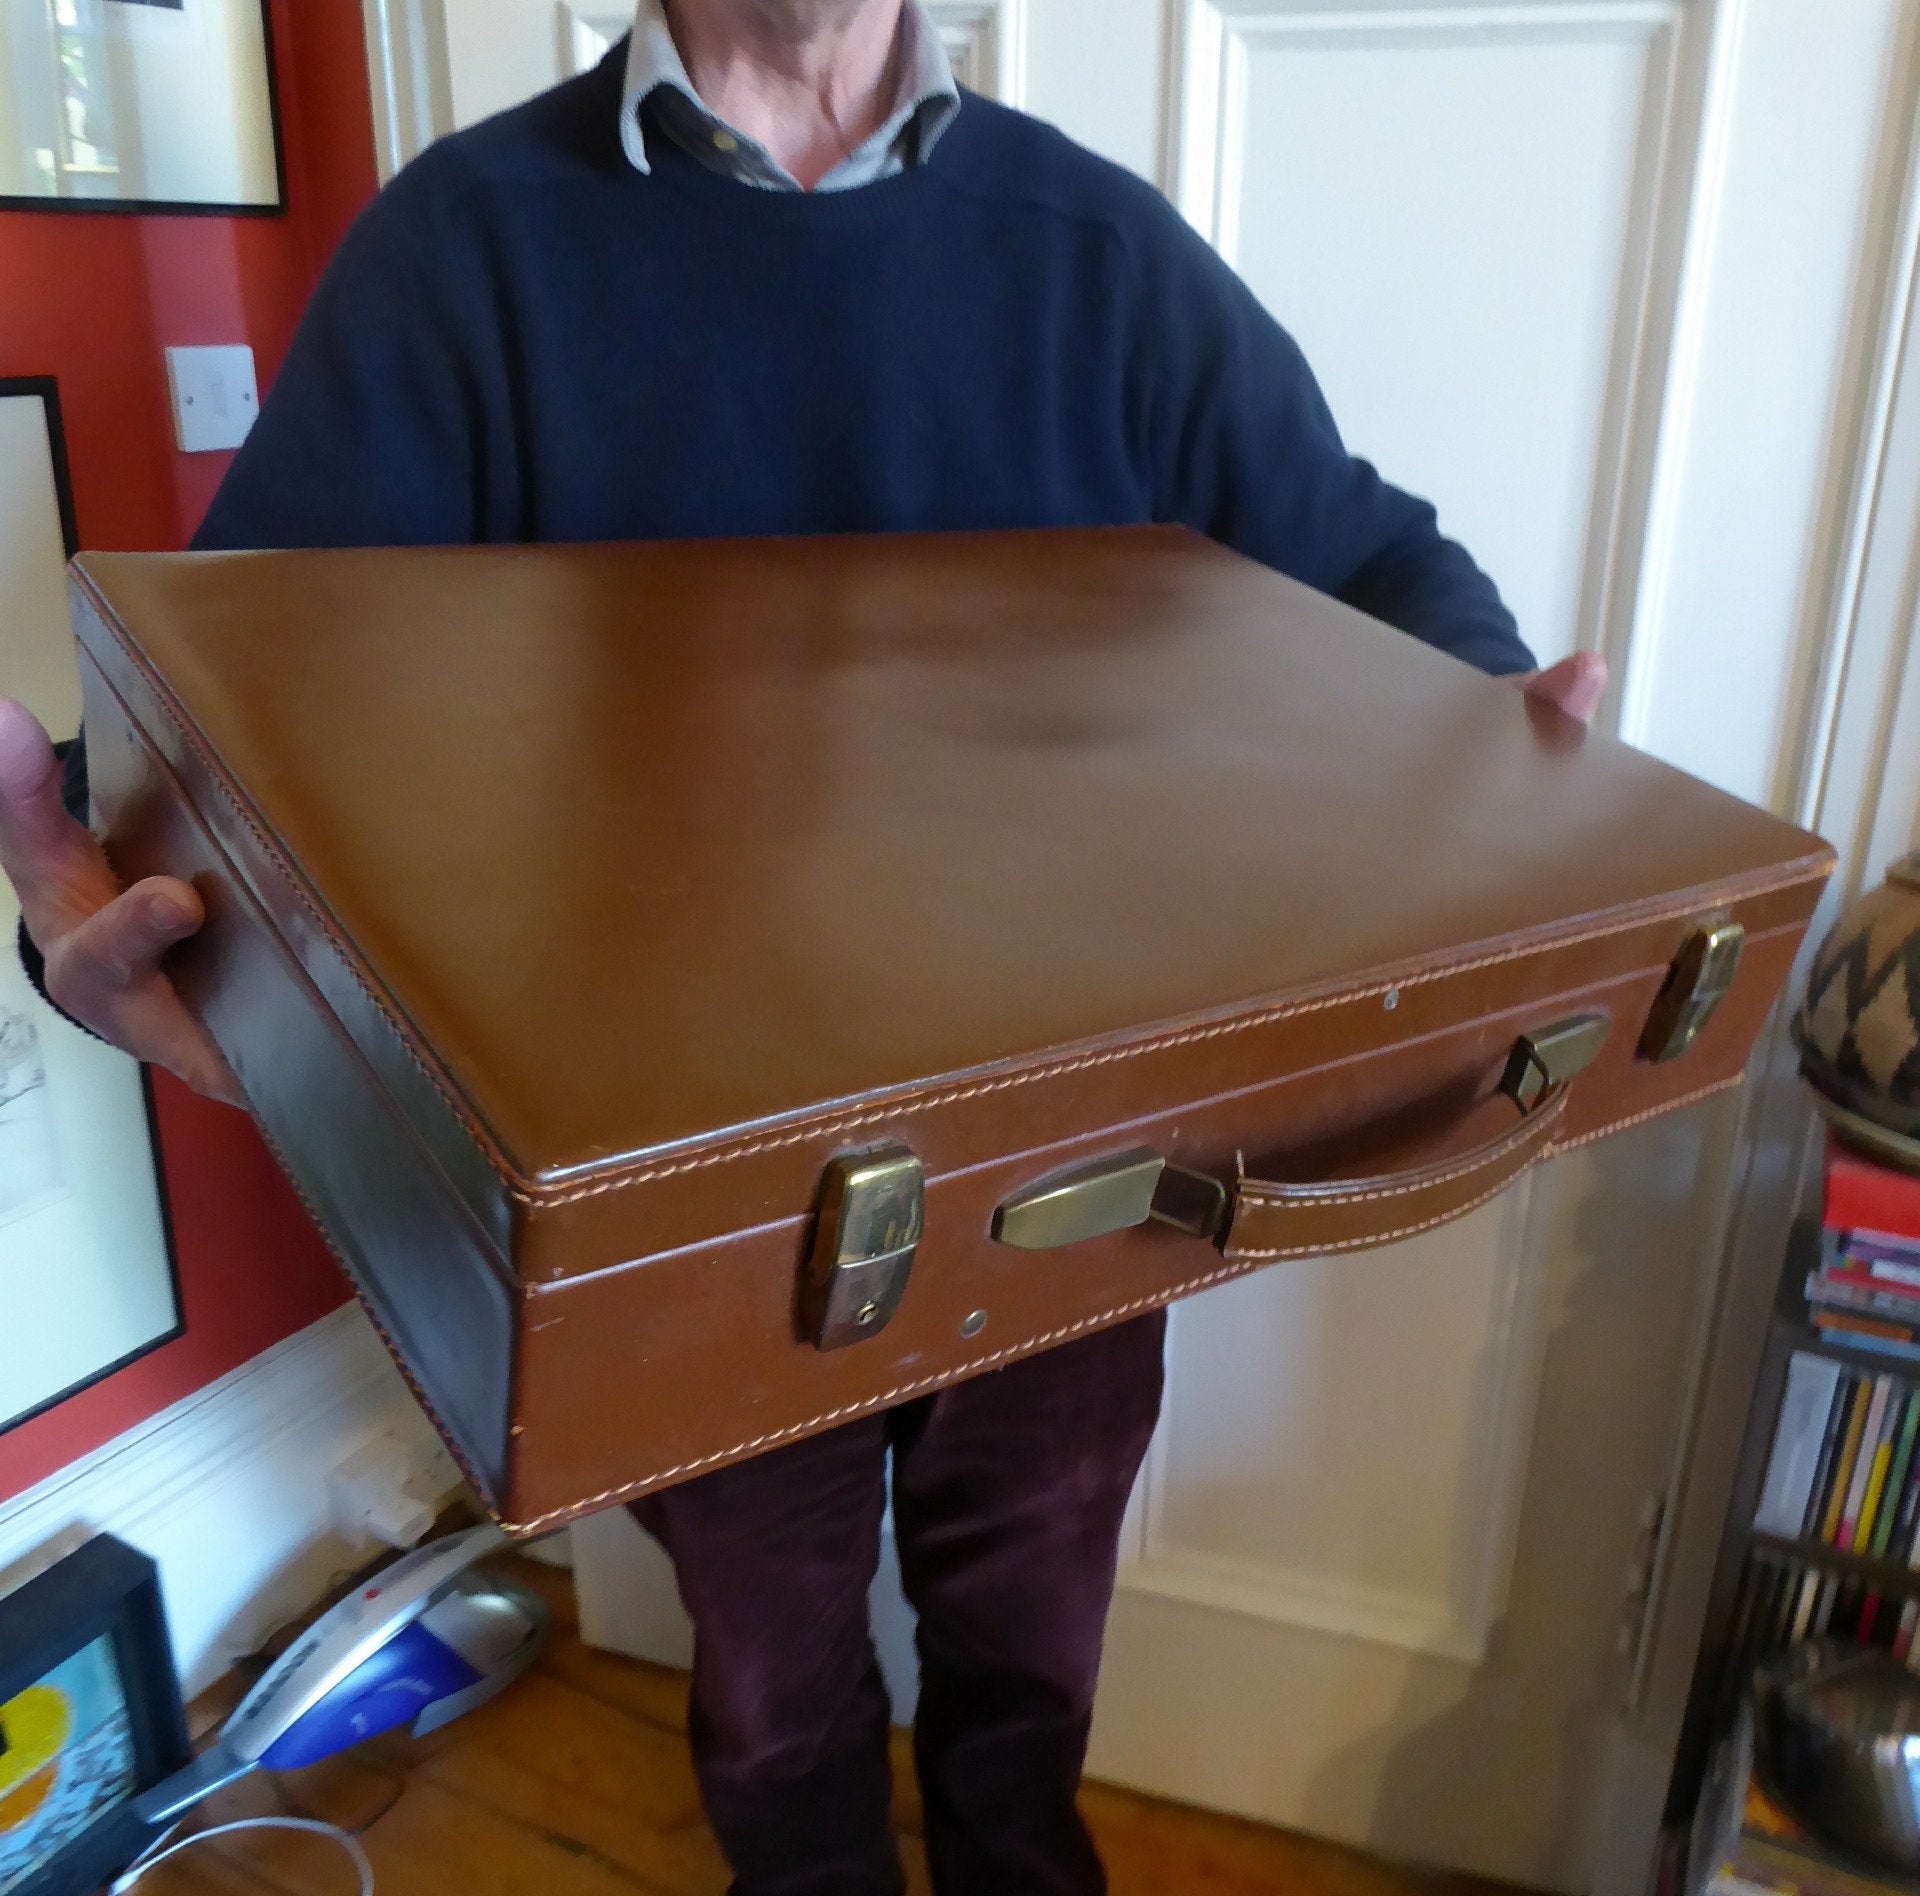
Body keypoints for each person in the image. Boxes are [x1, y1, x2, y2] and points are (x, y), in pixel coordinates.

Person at [0, 2, 1606, 1890]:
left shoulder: (1099, 251)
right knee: (770, 1694)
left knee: (1033, 1636)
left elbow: (1372, 565)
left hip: (1083, 1159)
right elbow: (239, 718)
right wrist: (101, 938)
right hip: (700, 1211)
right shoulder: (464, 249)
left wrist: (1516, 741)